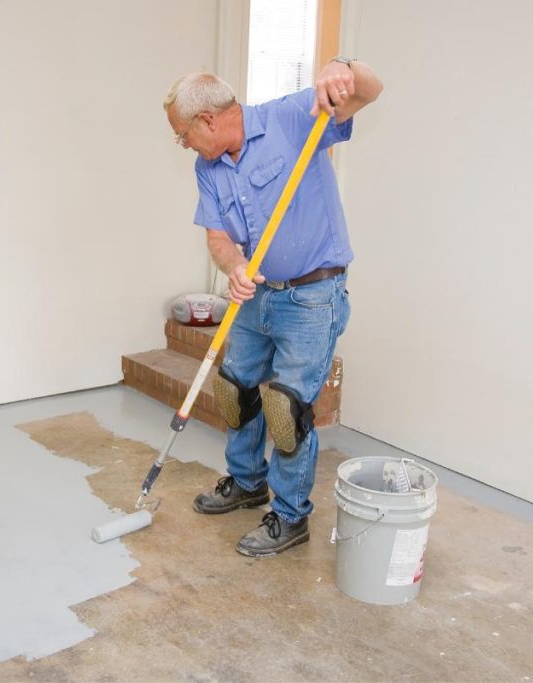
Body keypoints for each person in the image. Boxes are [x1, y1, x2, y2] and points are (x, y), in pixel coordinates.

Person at [163, 57, 383, 557]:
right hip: (256, 293)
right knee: (236, 389)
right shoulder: (209, 167)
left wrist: (342, 69)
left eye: (183, 135)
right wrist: (235, 266)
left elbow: (370, 90)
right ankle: (247, 482)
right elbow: (218, 238)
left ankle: (289, 516)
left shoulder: (291, 118)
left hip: (311, 295)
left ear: (207, 121)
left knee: (286, 408)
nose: (184, 146)